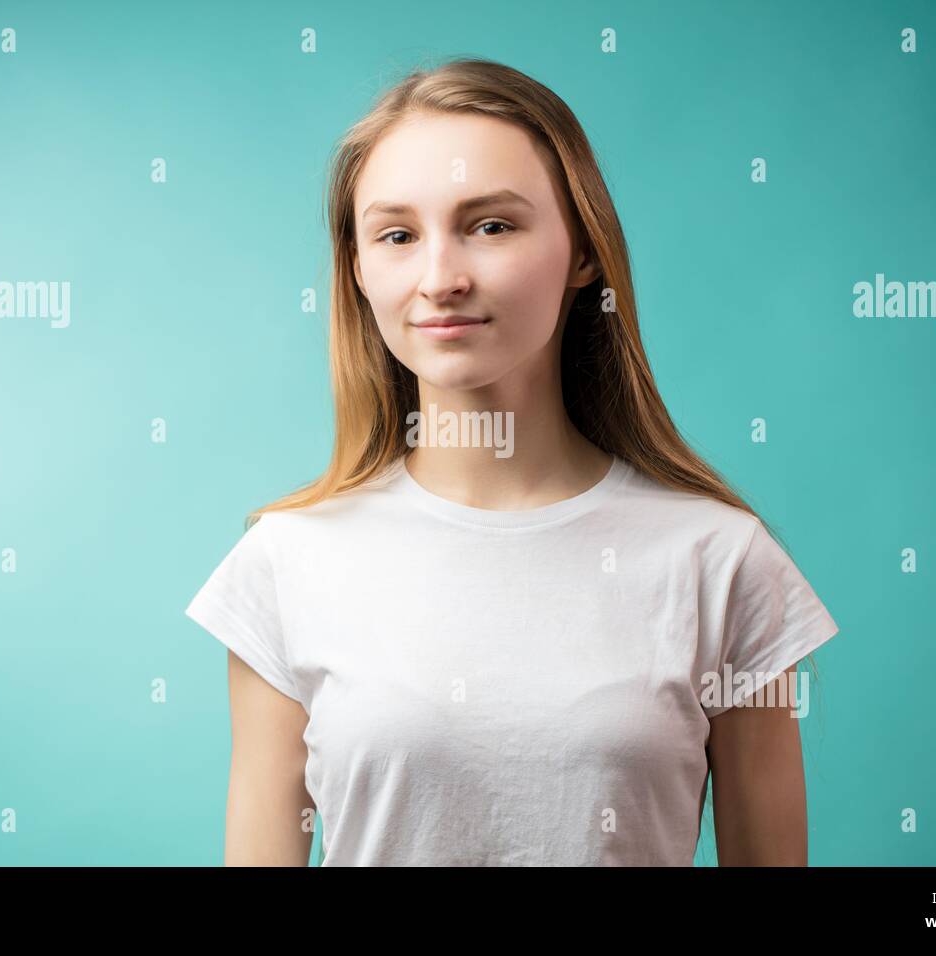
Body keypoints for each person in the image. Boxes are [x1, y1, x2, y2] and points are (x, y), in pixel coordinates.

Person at [186, 57, 840, 866]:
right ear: (357, 270)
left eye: (491, 225)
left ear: (584, 254)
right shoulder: (283, 568)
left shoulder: (724, 563)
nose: (440, 280)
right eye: (396, 235)